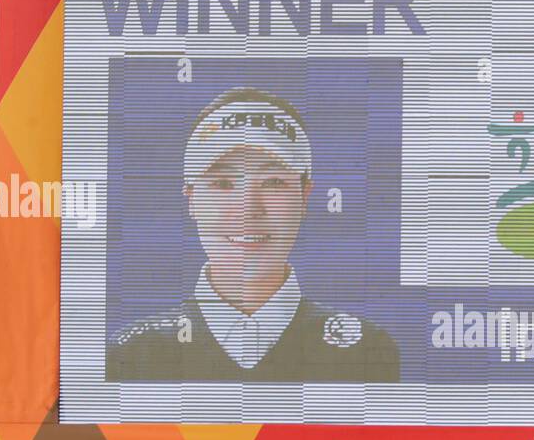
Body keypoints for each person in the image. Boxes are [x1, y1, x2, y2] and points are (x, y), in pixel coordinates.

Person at [107, 87, 399, 382]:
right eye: (223, 183)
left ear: (304, 197)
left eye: (273, 181)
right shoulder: (132, 354)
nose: (248, 208)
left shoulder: (367, 351)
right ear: (191, 199)